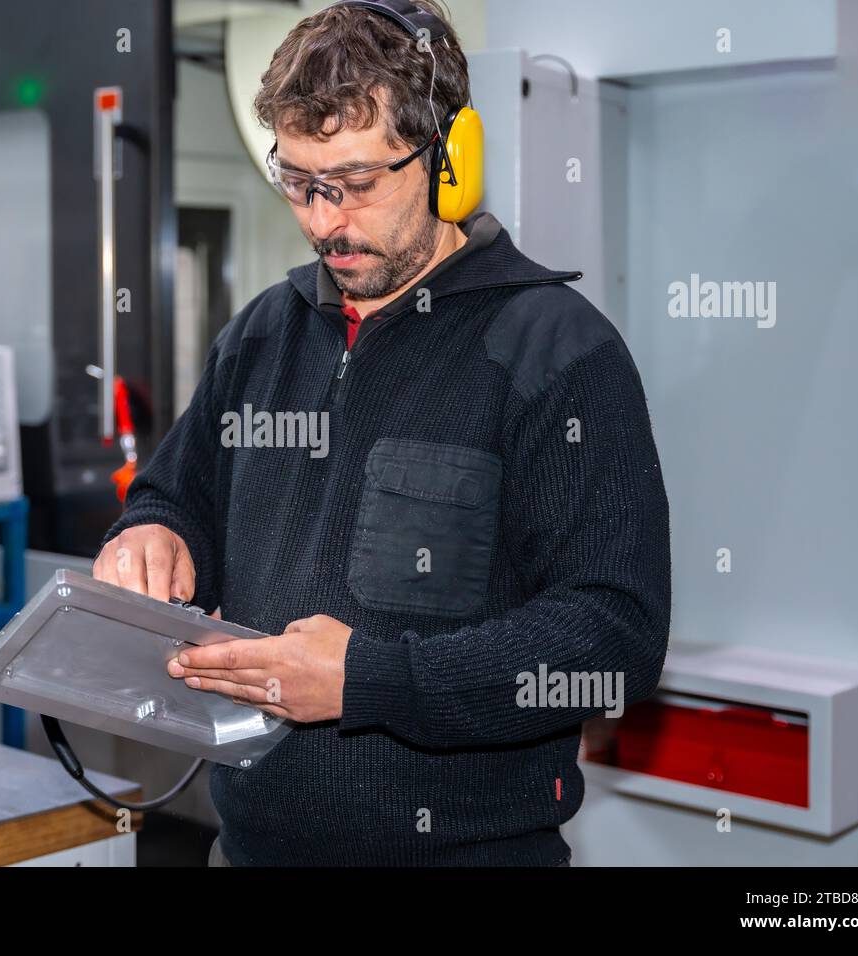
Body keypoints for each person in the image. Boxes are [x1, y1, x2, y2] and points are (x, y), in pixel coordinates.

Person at [94, 0, 670, 866]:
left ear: (450, 161)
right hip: (250, 848)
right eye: (299, 181)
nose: (325, 220)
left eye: (358, 184)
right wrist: (154, 532)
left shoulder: (555, 351)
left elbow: (612, 638)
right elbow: (179, 496)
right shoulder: (263, 334)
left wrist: (371, 682)